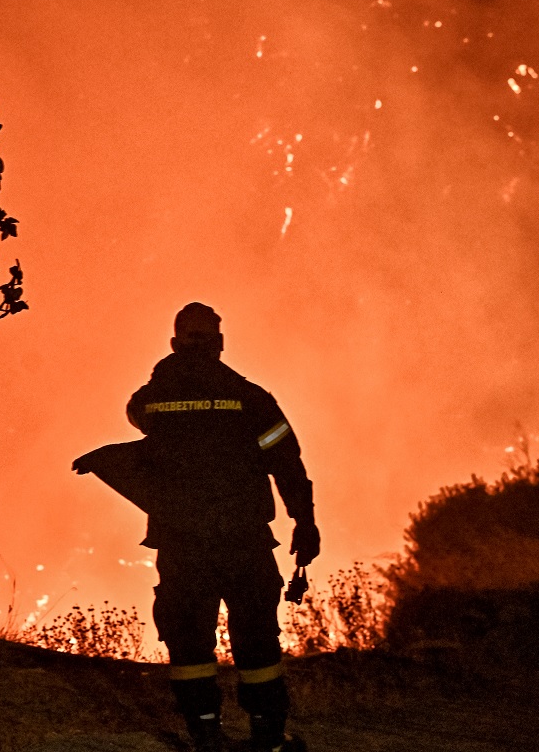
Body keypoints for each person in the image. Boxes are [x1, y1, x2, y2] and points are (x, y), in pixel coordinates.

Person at [76, 302, 319, 752]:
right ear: (221, 345)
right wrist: (304, 523)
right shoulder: (252, 399)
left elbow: (138, 413)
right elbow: (288, 464)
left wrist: (170, 369)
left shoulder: (157, 399)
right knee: (257, 638)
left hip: (183, 543)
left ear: (175, 344)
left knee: (189, 641)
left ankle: (205, 732)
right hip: (243, 539)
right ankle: (268, 735)